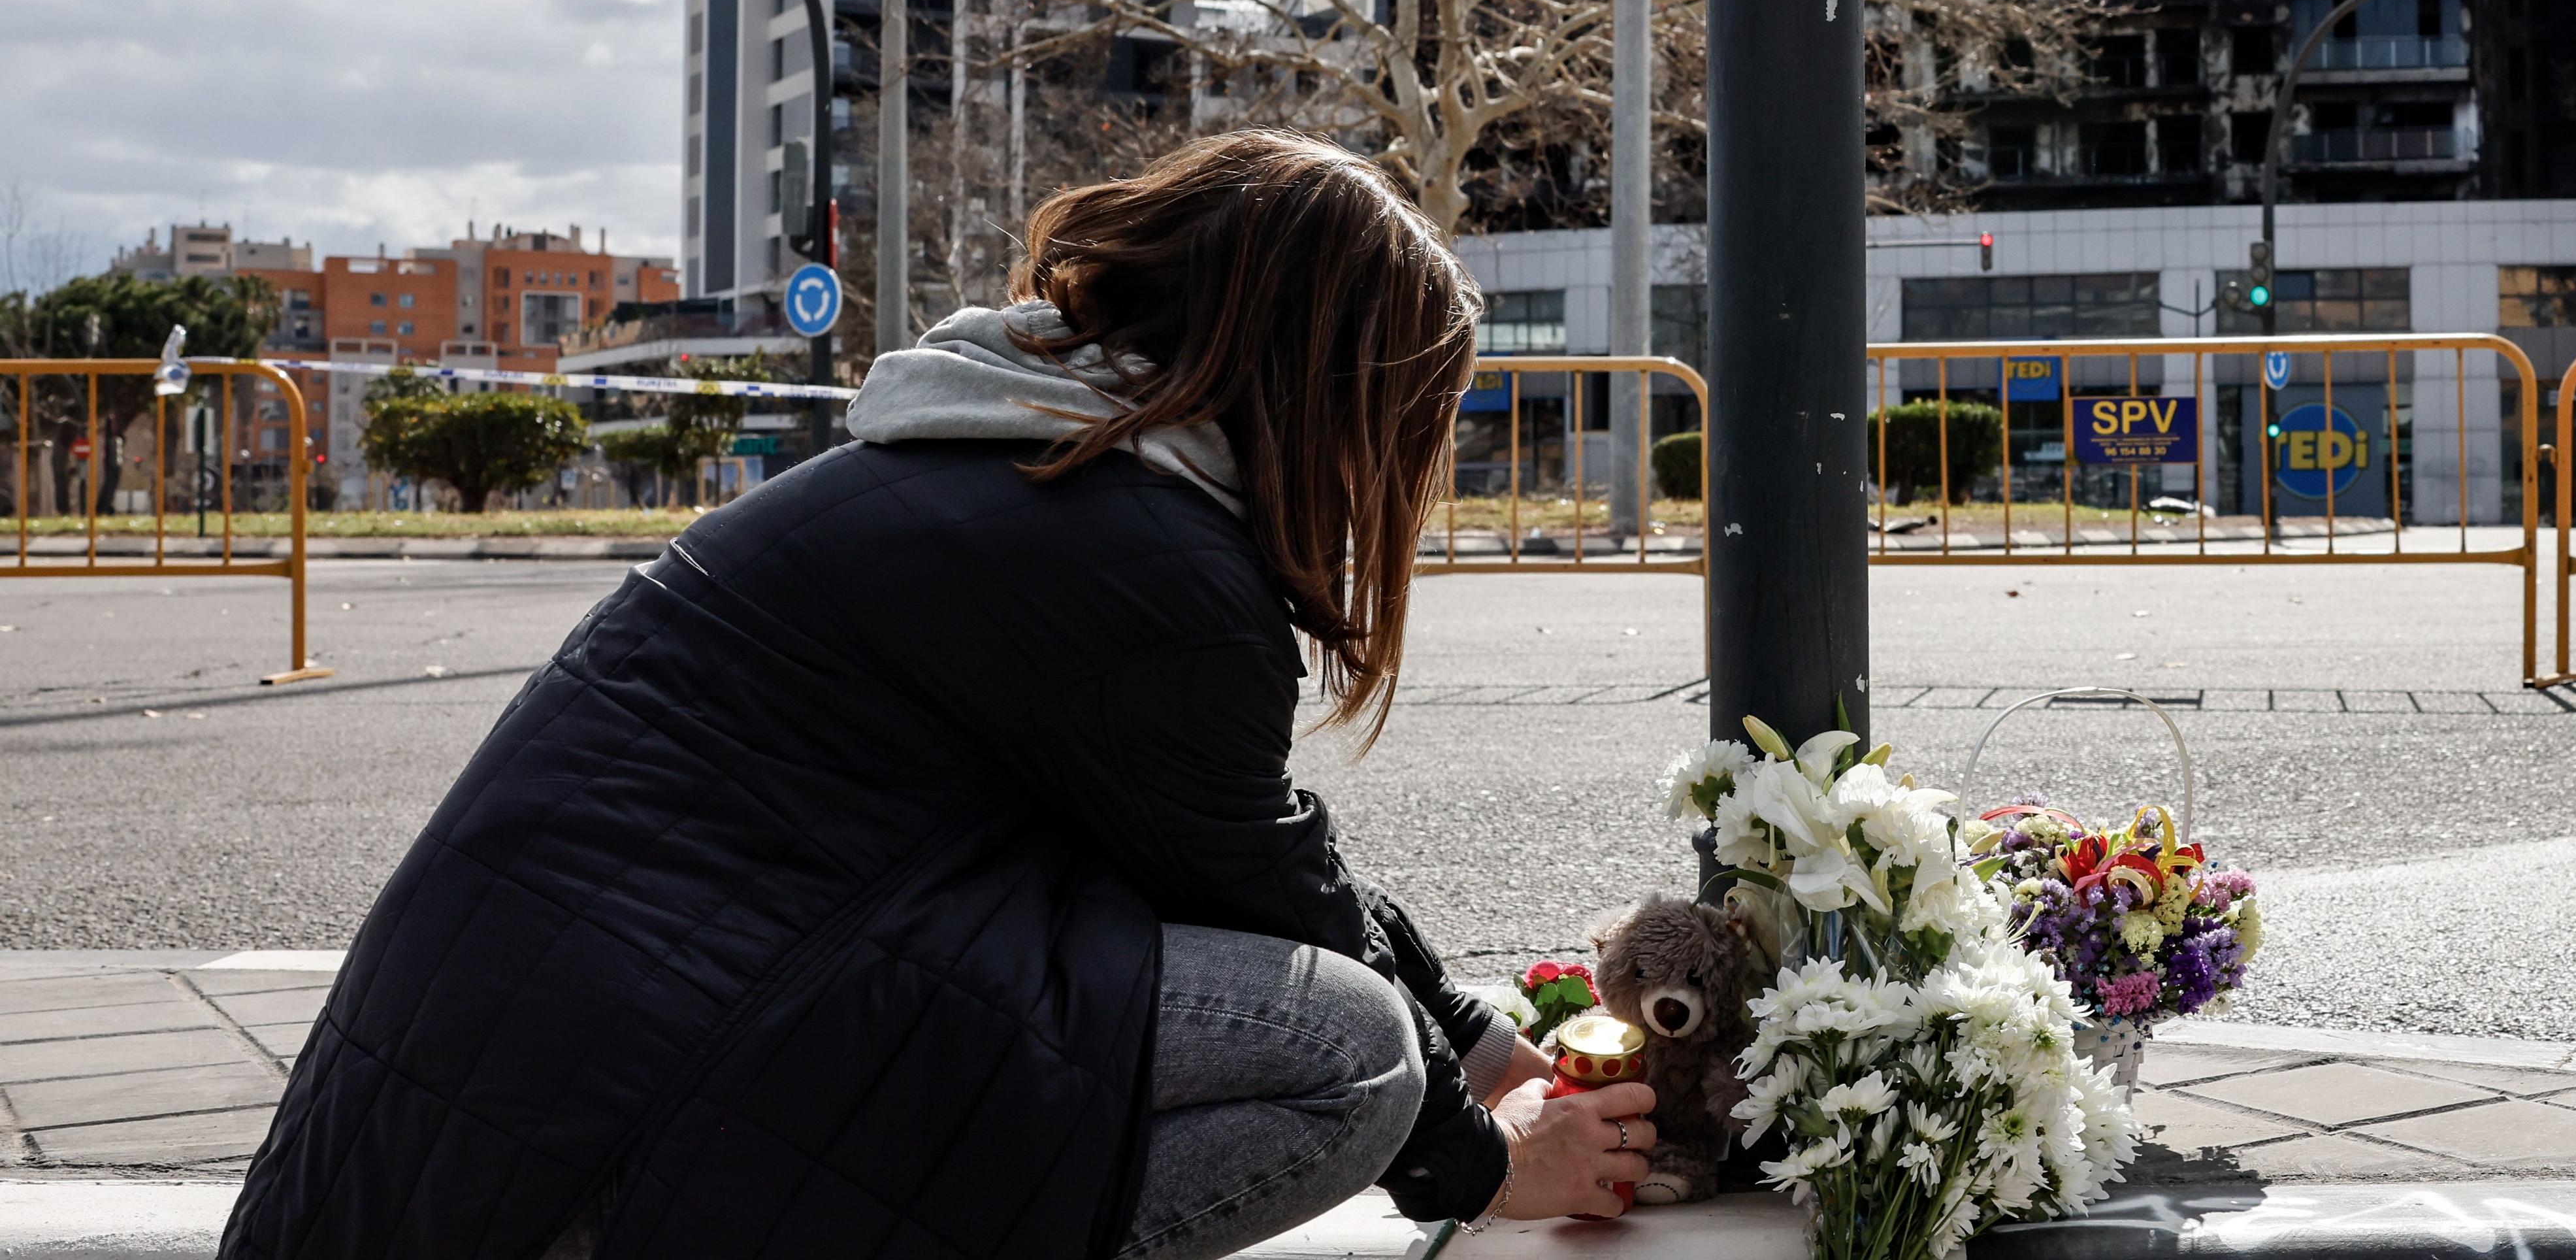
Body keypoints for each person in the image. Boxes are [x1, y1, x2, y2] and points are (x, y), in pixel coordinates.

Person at [223, 134, 1656, 1260]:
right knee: (1346, 1055)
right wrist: (1483, 1160)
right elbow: (1263, 886)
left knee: (1348, 1020)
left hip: (509, 1105)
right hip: (583, 1163)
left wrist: (1480, 1032)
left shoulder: (1013, 452)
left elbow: (1251, 848)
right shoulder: (1145, 564)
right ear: (1324, 391)